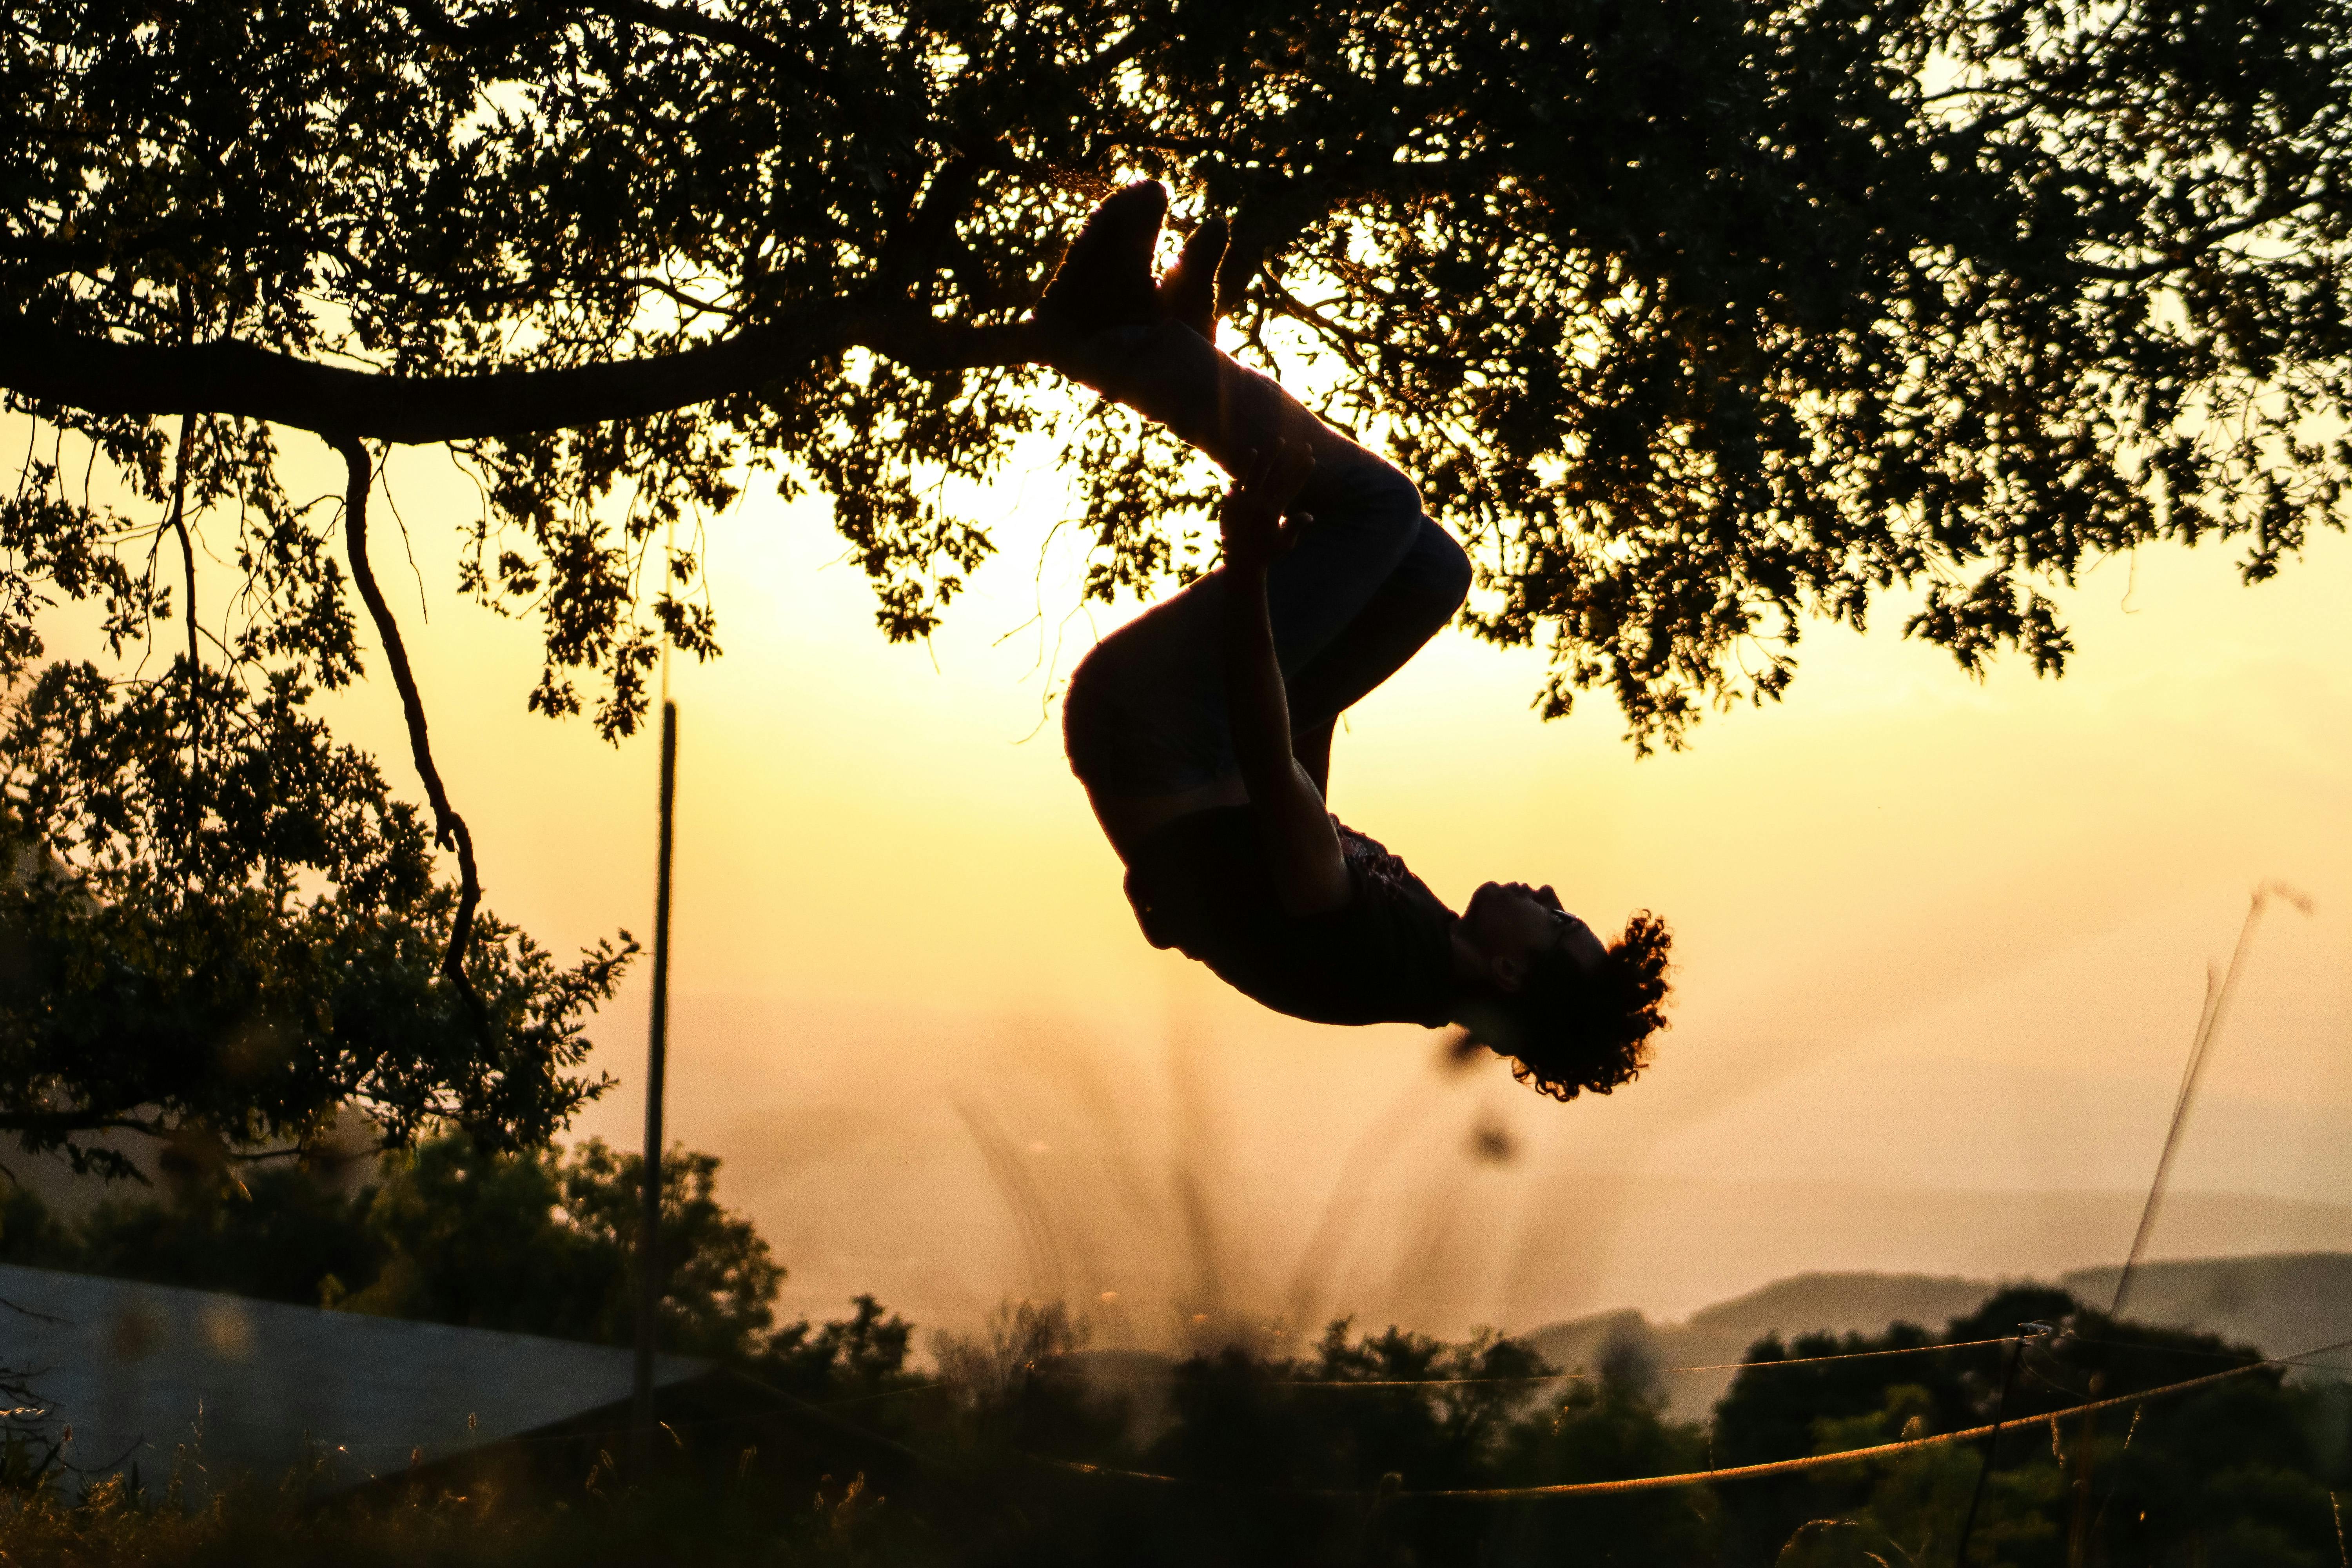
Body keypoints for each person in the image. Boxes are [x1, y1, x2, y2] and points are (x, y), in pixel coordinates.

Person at [1044, 183, 1672, 1102]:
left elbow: (1268, 761)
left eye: (1557, 921)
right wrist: (1328, 615)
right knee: (1430, 570)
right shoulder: (1426, 942)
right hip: (1202, 743)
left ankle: (1110, 336)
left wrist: (1258, 570)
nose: (1546, 894)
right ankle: (1182, 358)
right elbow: (1288, 779)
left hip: (1157, 734)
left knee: (1384, 511)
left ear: (1510, 972)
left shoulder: (1385, 961)